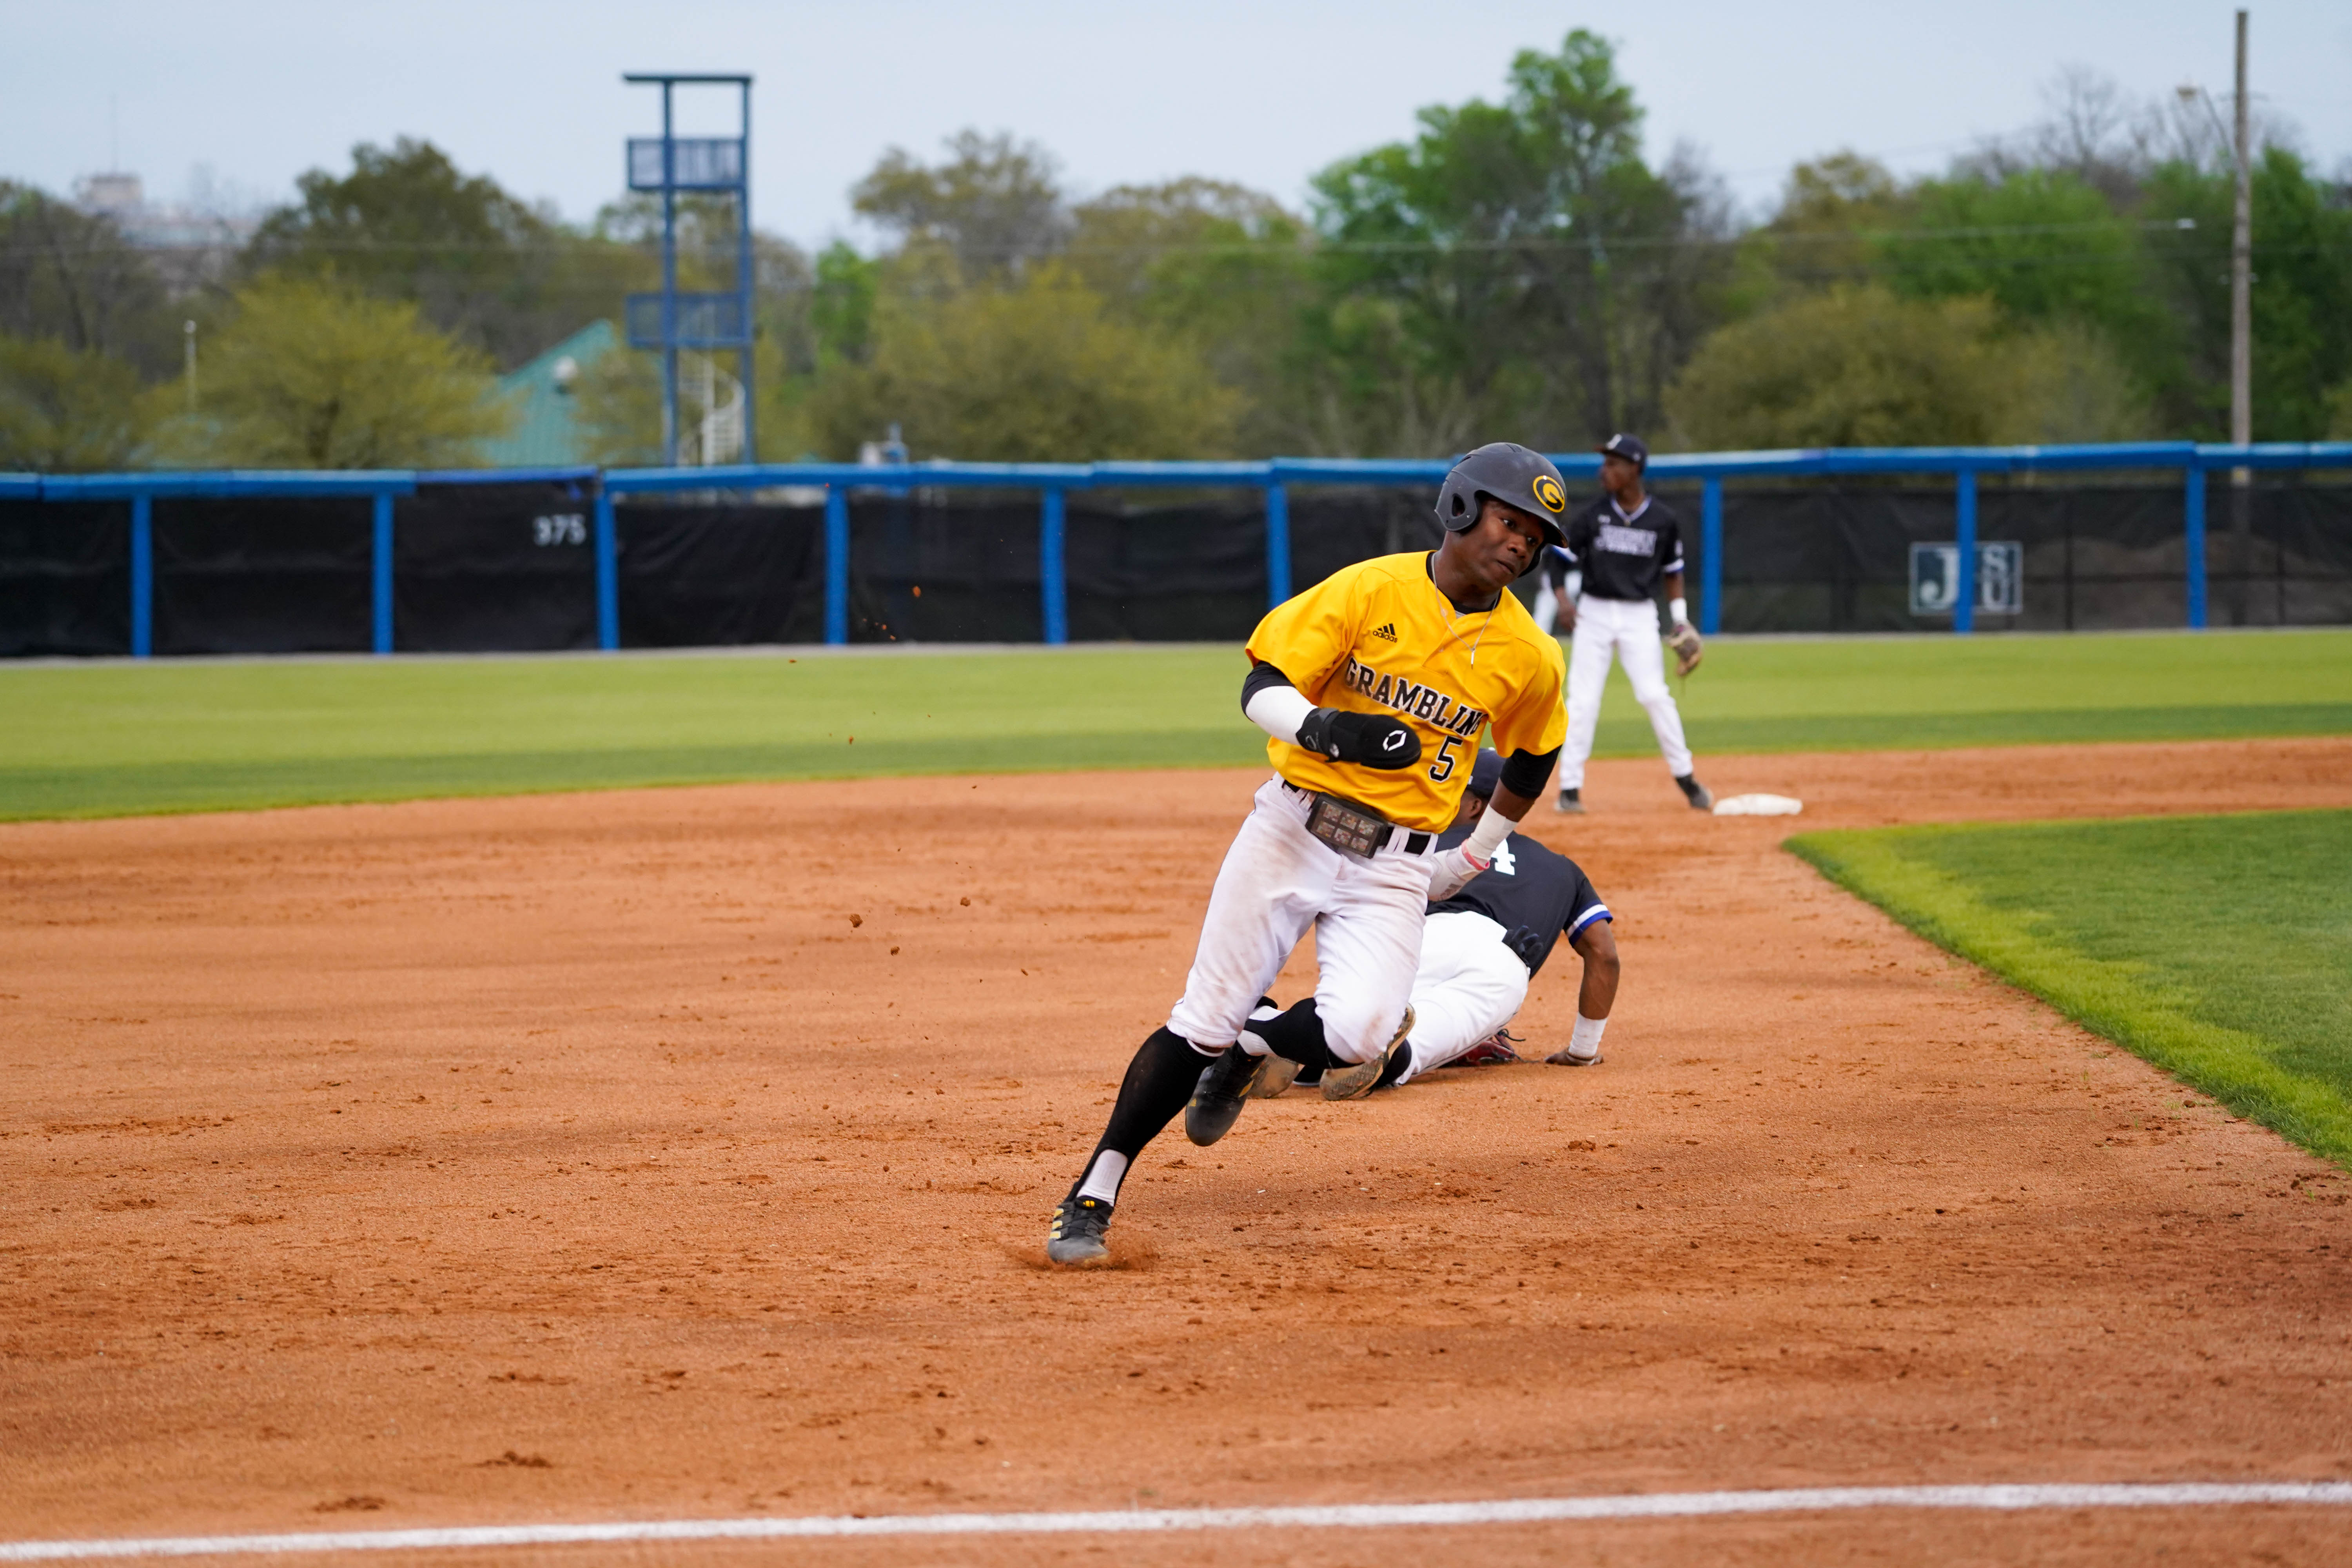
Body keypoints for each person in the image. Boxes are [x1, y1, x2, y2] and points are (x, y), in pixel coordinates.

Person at [1046, 444, 1572, 1267]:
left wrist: (1474, 856)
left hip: (1394, 864)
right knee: (1202, 1020)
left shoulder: (1530, 654)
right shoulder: (1371, 588)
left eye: (1537, 537)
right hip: (1291, 826)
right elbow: (1264, 683)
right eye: (1512, 521)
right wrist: (1333, 729)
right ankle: (1093, 1191)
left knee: (1363, 1034)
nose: (1521, 544)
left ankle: (1252, 1050)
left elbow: (1536, 759)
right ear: (1464, 508)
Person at [1237, 748, 1620, 1093]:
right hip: (1502, 965)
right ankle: (1370, 1059)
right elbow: (1604, 954)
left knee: (1349, 1029)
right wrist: (1581, 1052)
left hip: (1423, 941)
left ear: (1475, 807)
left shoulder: (1421, 841)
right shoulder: (1562, 869)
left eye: (1453, 793)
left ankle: (1262, 1030)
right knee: (1408, 1052)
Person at [1532, 433, 1712, 814]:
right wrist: (1564, 601)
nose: (1605, 470)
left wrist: (1680, 621)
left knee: (1654, 695)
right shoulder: (1593, 516)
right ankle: (1569, 789)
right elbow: (1557, 561)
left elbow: (1673, 572)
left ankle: (1687, 778)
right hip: (1594, 613)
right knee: (1582, 701)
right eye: (1606, 463)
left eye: (1614, 464)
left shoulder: (1663, 519)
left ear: (1635, 469)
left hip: (1638, 615)